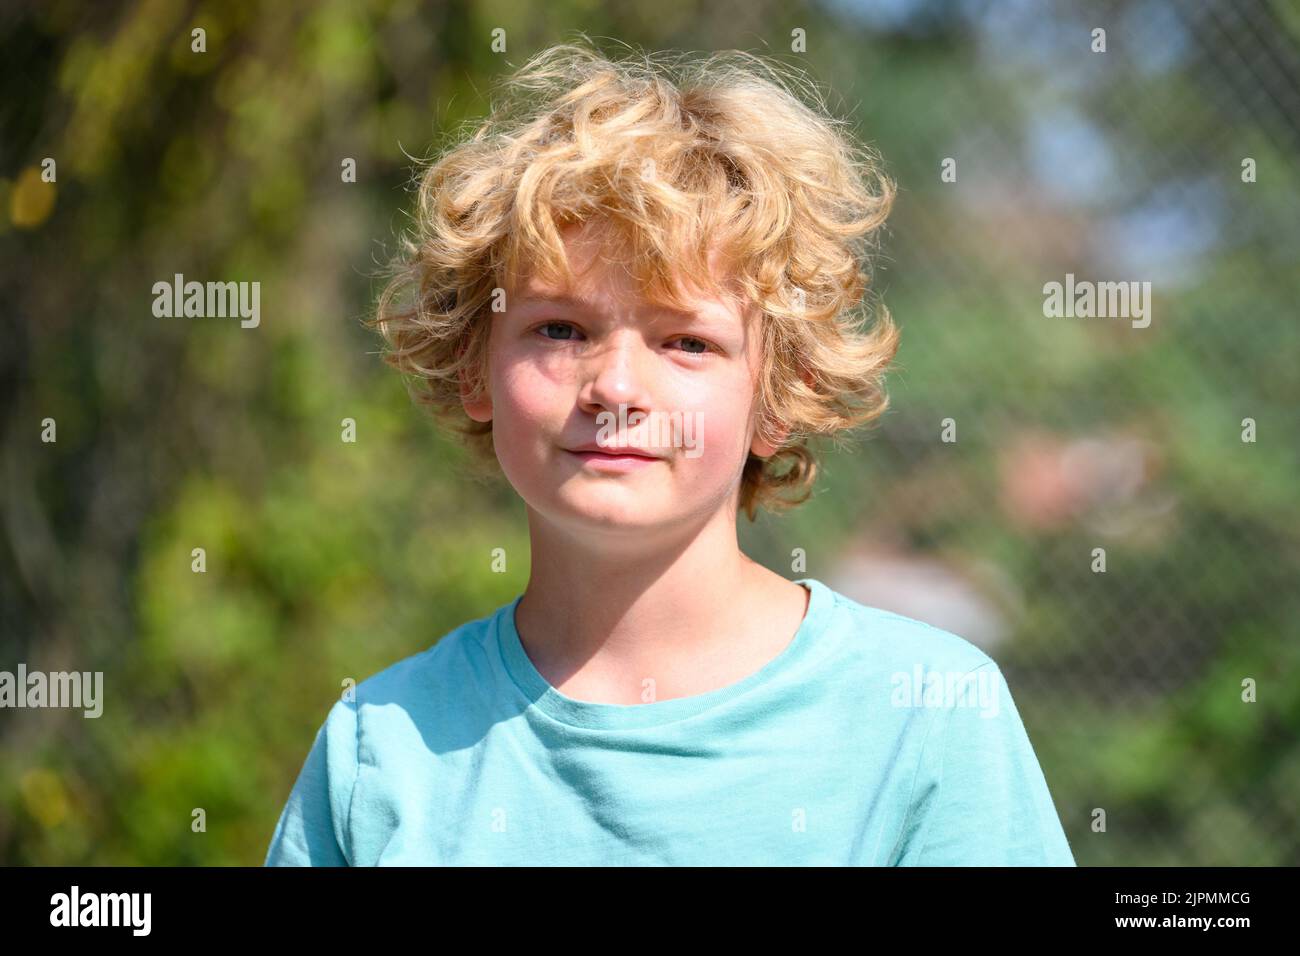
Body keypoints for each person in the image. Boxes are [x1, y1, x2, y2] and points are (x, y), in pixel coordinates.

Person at [265, 39, 1075, 866]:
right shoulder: (378, 748)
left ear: (778, 395)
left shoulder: (930, 716)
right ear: (476, 366)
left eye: (686, 342)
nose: (615, 387)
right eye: (559, 328)